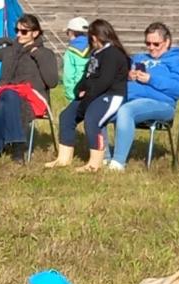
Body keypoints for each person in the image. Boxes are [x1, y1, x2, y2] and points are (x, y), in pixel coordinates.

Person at [106, 22, 179, 170]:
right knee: (98, 109)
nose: (151, 47)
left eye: (156, 44)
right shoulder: (139, 58)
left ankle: (118, 163)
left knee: (126, 110)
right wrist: (128, 76)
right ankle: (103, 158)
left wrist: (151, 79)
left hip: (161, 105)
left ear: (167, 42)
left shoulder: (178, 63)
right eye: (148, 43)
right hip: (129, 98)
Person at [46, 18, 129, 172]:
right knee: (66, 116)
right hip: (92, 95)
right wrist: (79, 90)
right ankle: (63, 159)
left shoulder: (113, 53)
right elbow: (87, 76)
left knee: (92, 119)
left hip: (111, 95)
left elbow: (105, 81)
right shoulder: (95, 53)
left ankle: (94, 163)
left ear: (96, 37)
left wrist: (87, 100)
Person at [0, 13, 58, 162]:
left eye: (24, 31)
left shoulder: (45, 53)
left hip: (33, 97)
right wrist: (5, 39)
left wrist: (37, 55)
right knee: (5, 95)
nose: (19, 34)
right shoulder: (10, 52)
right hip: (7, 95)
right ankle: (16, 147)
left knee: (6, 95)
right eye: (17, 30)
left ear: (35, 33)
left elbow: (52, 82)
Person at [62, 16, 89, 102]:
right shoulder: (95, 48)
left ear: (71, 32)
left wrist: (71, 96)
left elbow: (68, 76)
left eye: (67, 32)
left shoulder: (70, 52)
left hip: (77, 91)